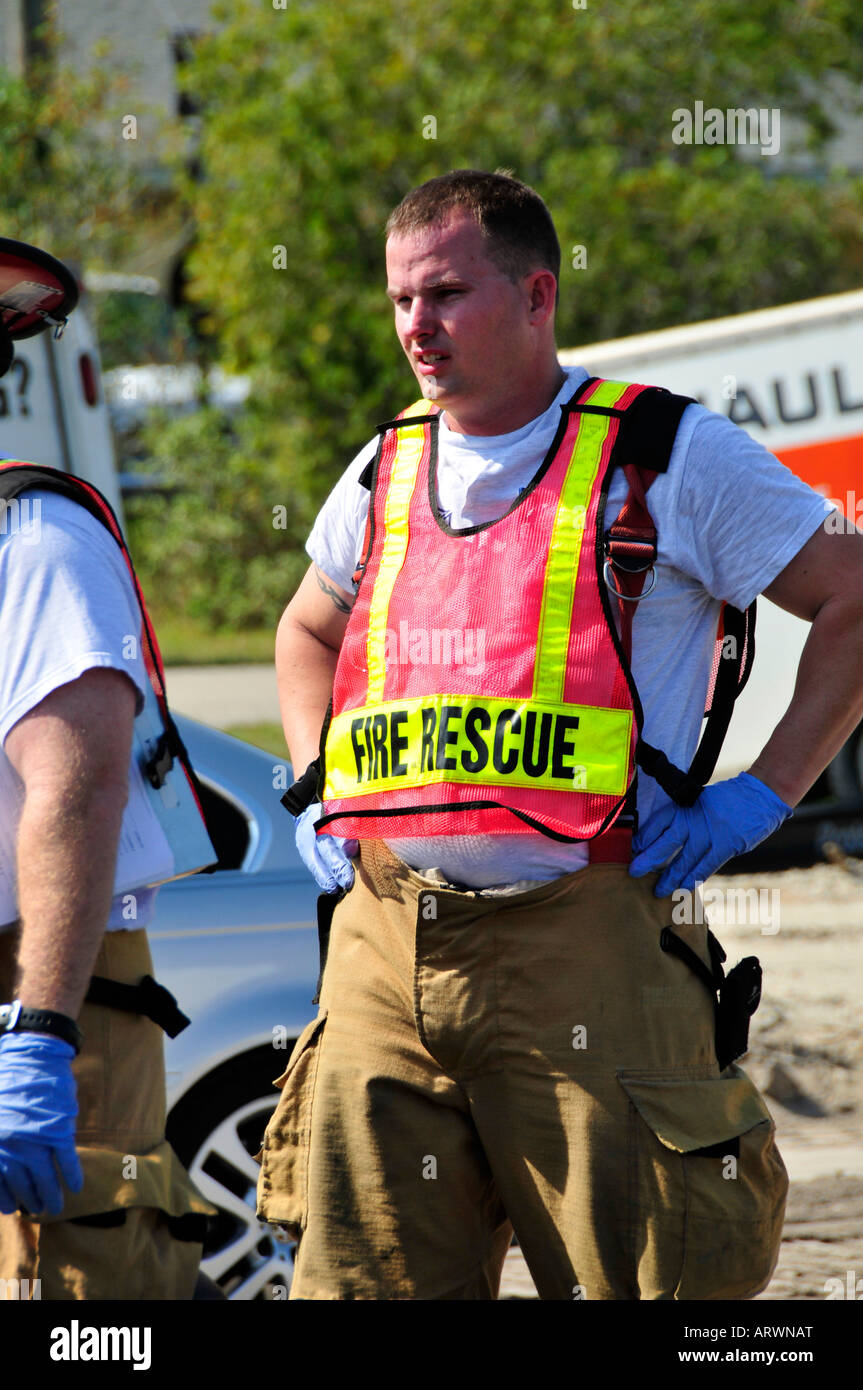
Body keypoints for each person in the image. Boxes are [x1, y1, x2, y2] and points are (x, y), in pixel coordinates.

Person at [257, 170, 863, 1300]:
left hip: (583, 933)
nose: (414, 327)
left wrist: (763, 796)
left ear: (538, 294)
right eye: (398, 300)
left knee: (642, 1282)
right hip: (385, 940)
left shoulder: (668, 452)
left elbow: (852, 597)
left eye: (443, 293)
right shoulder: (386, 461)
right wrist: (313, 781)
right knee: (362, 1279)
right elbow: (306, 627)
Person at [0, 238, 215, 1299]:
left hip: (45, 996)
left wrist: (37, 1037)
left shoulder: (32, 535)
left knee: (87, 1304)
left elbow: (74, 792)